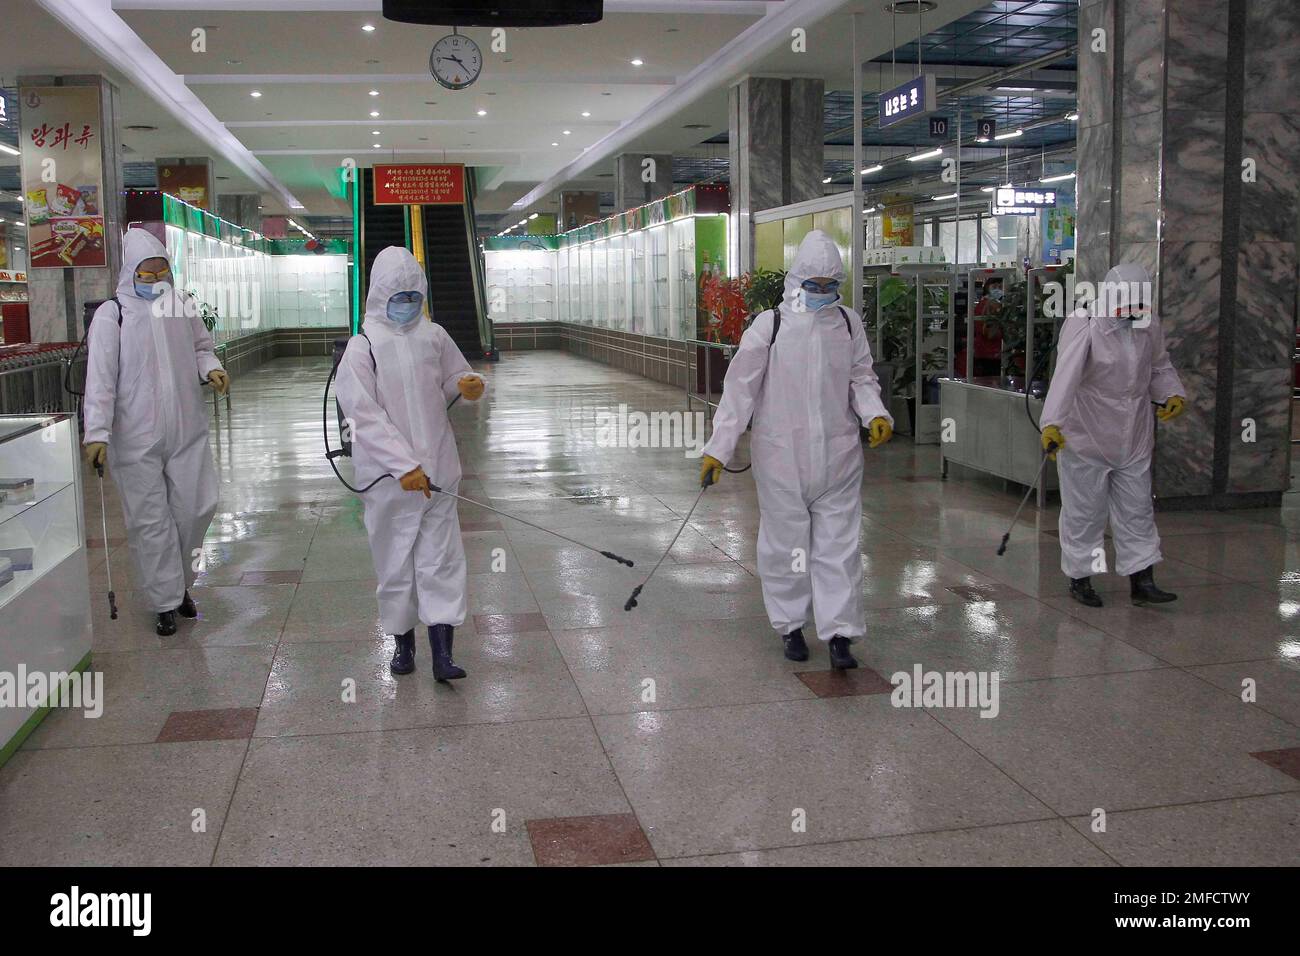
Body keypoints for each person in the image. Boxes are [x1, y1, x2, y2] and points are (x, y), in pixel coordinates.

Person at [698, 230, 892, 670]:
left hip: (839, 457)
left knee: (839, 548)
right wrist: (718, 449)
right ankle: (790, 626)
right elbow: (739, 391)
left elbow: (861, 377)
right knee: (785, 546)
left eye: (830, 285)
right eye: (813, 285)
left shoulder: (848, 323)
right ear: (796, 280)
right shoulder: (770, 326)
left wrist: (875, 413)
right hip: (781, 457)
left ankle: (840, 634)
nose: (822, 293)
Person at [335, 246, 485, 681]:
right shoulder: (362, 348)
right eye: (399, 297)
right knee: (395, 560)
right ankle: (403, 644)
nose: (407, 304)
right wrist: (402, 465)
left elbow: (454, 376)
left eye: (414, 297)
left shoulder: (434, 335)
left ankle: (443, 654)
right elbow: (363, 414)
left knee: (442, 559)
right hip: (388, 479)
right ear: (380, 295)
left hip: (438, 468)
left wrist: (469, 384)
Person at [82, 228, 229, 636]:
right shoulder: (113, 316)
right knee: (150, 521)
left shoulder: (181, 306)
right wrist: (97, 432)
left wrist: (211, 368)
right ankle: (166, 601)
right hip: (135, 436)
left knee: (197, 507)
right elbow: (100, 378)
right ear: (131, 272)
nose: (156, 281)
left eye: (162, 273)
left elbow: (201, 347)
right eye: (147, 274)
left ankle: (179, 584)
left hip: (186, 428)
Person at [1039, 262, 1187, 607]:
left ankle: (1142, 580)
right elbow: (1066, 376)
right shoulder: (1085, 322)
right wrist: (1052, 423)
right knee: (1085, 512)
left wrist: (1171, 392)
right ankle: (1082, 578)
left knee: (1138, 509)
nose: (1134, 312)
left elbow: (1159, 365)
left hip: (1133, 433)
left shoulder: (1147, 323)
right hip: (1087, 433)